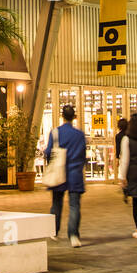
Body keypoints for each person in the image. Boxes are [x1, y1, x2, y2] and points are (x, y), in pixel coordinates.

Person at [43, 104, 87, 248]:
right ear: (74, 117)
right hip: (75, 173)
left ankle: (54, 231)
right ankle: (74, 235)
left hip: (58, 173)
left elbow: (48, 152)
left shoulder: (55, 132)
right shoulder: (80, 135)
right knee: (74, 205)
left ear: (62, 116)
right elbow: (82, 154)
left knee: (56, 203)